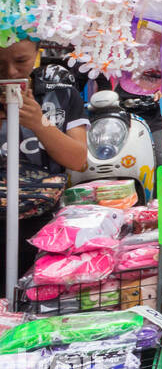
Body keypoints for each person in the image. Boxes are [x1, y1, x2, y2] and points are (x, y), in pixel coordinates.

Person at [0, 40, 89, 282]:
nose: (9, 72)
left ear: (37, 51)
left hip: (43, 226)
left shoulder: (58, 88)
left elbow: (78, 159)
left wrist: (40, 123)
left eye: (20, 61)